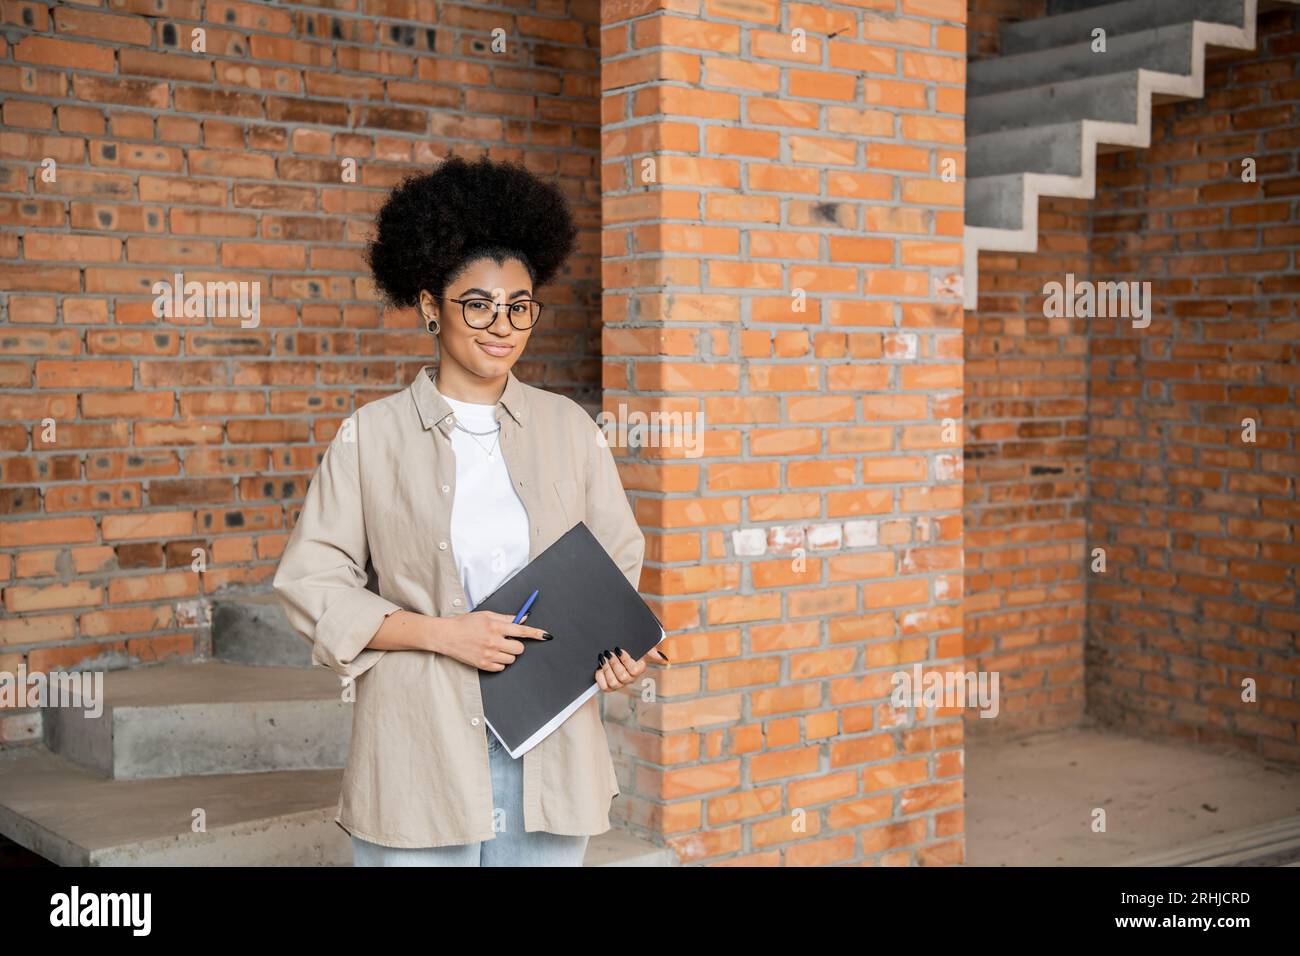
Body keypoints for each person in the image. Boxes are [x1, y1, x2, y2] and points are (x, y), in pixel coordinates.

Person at [273, 155, 668, 867]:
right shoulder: (373, 435)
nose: (502, 325)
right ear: (429, 305)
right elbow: (311, 584)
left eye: (519, 305)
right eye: (478, 304)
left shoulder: (569, 431)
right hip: (418, 746)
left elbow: (613, 567)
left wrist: (613, 654)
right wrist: (440, 635)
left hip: (549, 742)